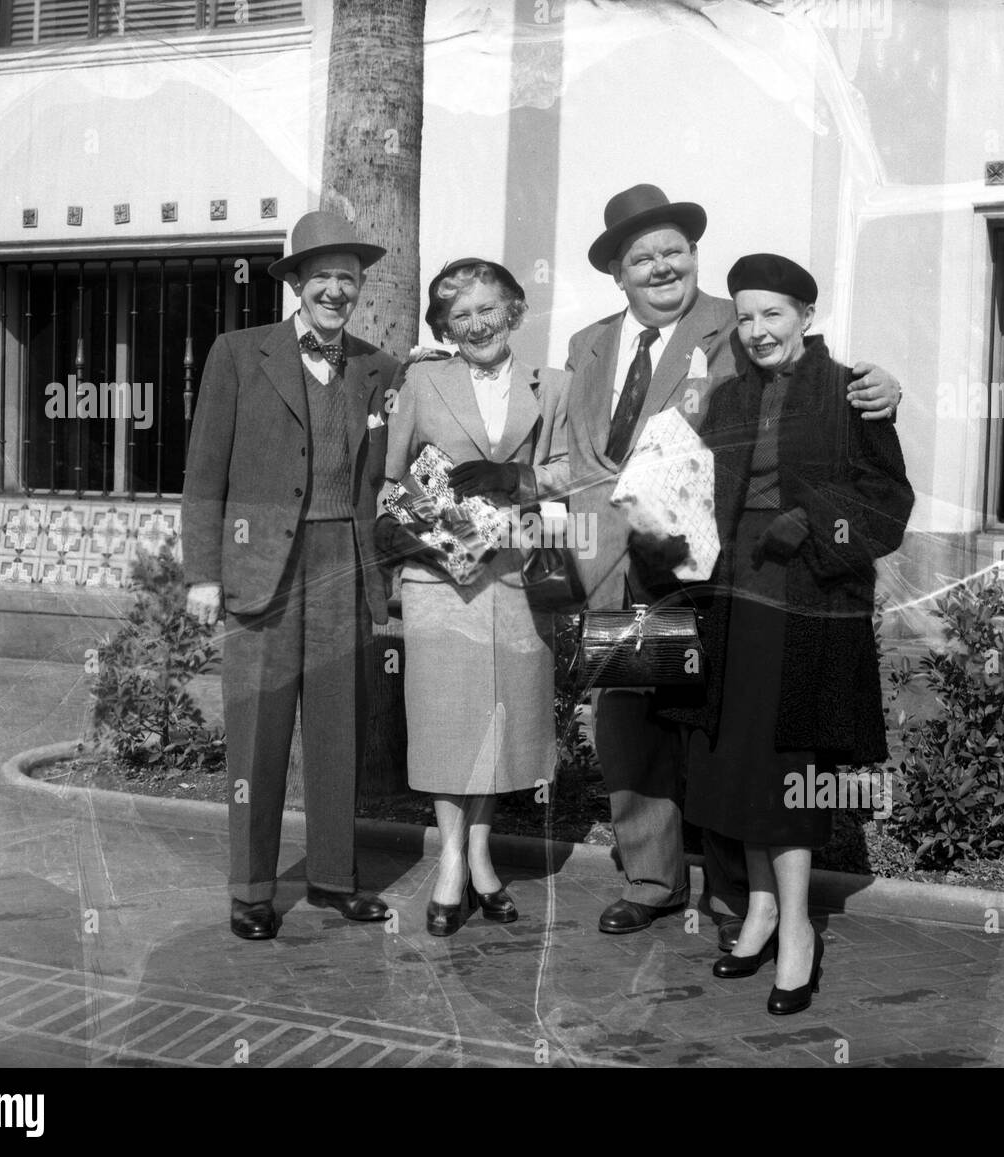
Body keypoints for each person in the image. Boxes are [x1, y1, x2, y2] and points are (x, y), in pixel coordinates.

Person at [564, 184, 903, 941]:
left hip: (716, 566)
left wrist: (884, 384)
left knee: (716, 730)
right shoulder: (584, 345)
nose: (661, 267)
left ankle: (730, 893)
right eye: (641, 257)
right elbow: (564, 445)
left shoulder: (736, 323)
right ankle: (650, 878)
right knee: (629, 726)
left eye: (674, 252)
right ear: (616, 271)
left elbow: (814, 389)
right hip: (621, 565)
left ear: (694, 257)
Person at [650, 253, 913, 1015]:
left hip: (807, 606)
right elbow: (698, 495)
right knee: (735, 762)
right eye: (745, 316)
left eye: (773, 313)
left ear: (805, 314)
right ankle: (759, 909)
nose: (758, 329)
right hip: (732, 602)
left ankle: (797, 930)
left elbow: (887, 502)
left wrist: (813, 524)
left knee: (787, 764)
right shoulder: (728, 398)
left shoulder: (849, 390)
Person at [181, 210, 402, 941]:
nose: (336, 290)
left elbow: (389, 478)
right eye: (323, 277)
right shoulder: (240, 354)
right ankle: (251, 889)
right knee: (257, 735)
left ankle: (336, 877)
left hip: (345, 560)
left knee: (340, 729)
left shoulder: (379, 368)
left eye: (349, 278)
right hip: (259, 566)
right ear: (296, 284)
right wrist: (202, 574)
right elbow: (204, 475)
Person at [374, 258, 569, 937]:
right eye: (461, 316)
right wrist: (426, 535)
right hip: (439, 577)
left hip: (514, 575)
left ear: (512, 310)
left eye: (489, 308)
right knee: (444, 717)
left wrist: (521, 475)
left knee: (499, 717)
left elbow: (577, 464)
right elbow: (392, 479)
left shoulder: (553, 384)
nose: (477, 323)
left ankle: (483, 854)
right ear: (445, 327)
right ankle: (453, 858)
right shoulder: (423, 379)